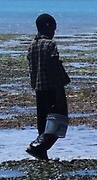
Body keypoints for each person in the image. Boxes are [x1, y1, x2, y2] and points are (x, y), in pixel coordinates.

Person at [26, 13, 71, 160]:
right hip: (53, 88)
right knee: (59, 120)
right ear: (47, 27)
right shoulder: (50, 45)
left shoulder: (32, 46)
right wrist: (60, 90)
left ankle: (42, 155)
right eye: (53, 29)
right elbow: (54, 66)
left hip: (39, 89)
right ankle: (36, 146)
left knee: (43, 122)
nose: (54, 32)